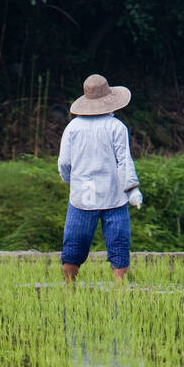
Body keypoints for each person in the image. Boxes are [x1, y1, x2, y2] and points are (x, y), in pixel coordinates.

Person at [57, 74, 142, 285]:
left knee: (73, 245)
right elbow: (124, 162)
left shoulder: (72, 128)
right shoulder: (116, 127)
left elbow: (64, 163)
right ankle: (120, 288)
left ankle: (69, 289)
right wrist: (132, 189)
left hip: (82, 197)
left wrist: (71, 182)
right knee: (119, 245)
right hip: (114, 195)